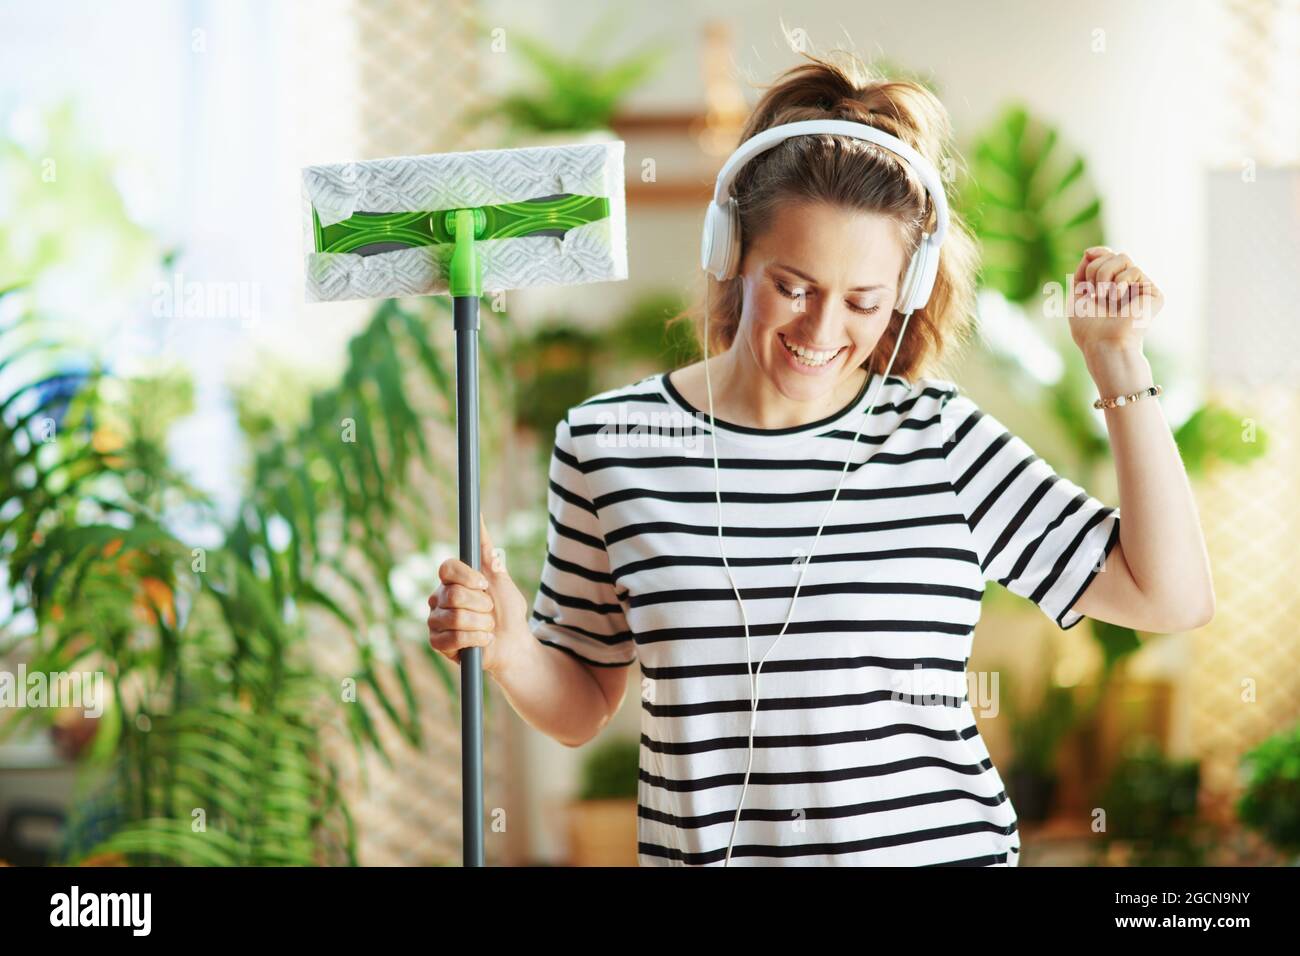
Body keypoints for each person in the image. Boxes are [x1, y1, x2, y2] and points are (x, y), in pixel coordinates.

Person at [427, 50, 1215, 866]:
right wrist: (514, 647)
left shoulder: (939, 439)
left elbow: (1171, 595)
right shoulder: (609, 444)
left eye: (863, 302)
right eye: (794, 287)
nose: (820, 332)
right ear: (731, 249)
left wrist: (1118, 363)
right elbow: (584, 703)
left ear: (905, 295)